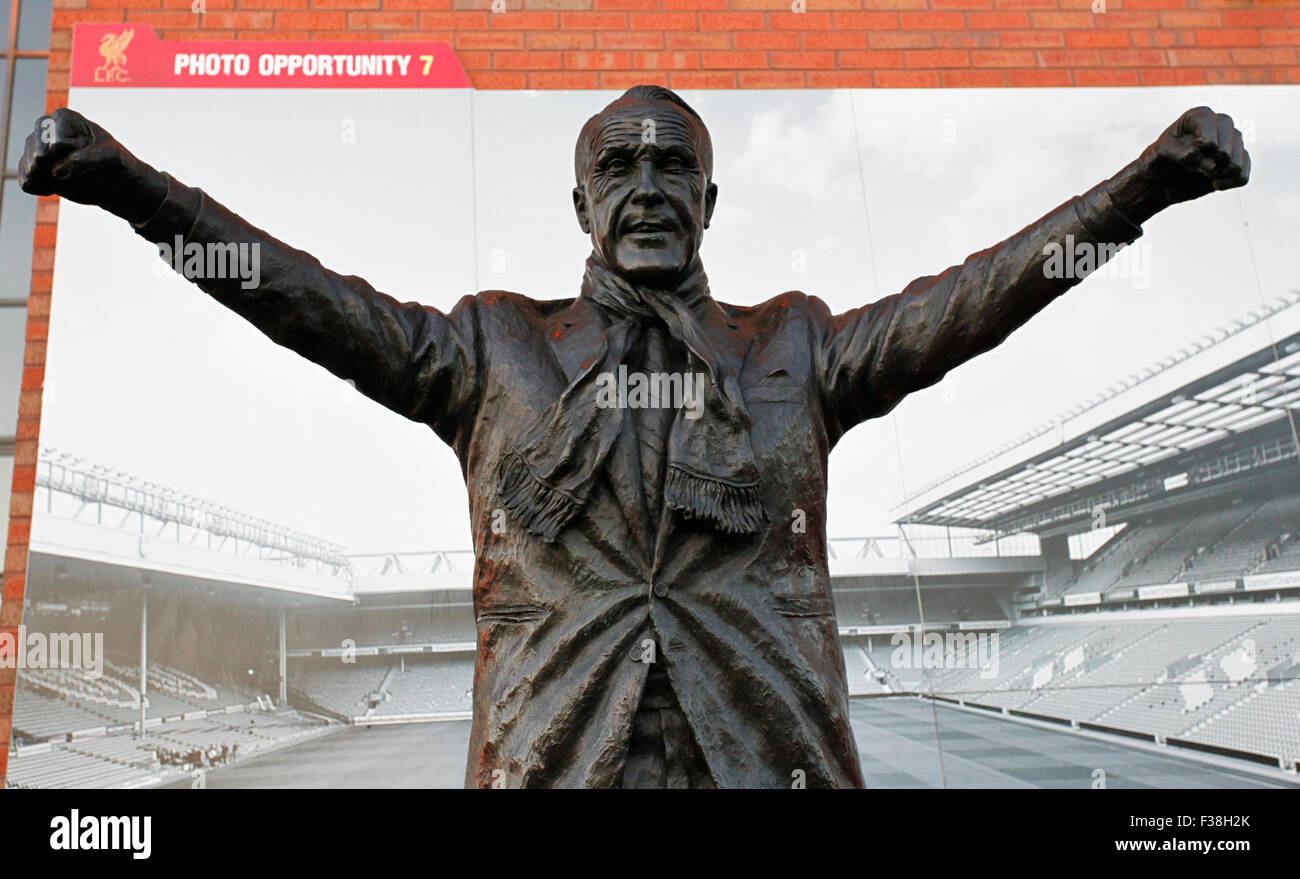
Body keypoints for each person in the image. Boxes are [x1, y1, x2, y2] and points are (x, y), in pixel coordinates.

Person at [17, 87, 1249, 787]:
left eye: (675, 165)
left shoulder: (798, 349)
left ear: (711, 201)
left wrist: (1138, 189)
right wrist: (129, 186)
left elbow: (982, 296)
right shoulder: (490, 349)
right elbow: (292, 293)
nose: (648, 183)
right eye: (620, 164)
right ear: (580, 202)